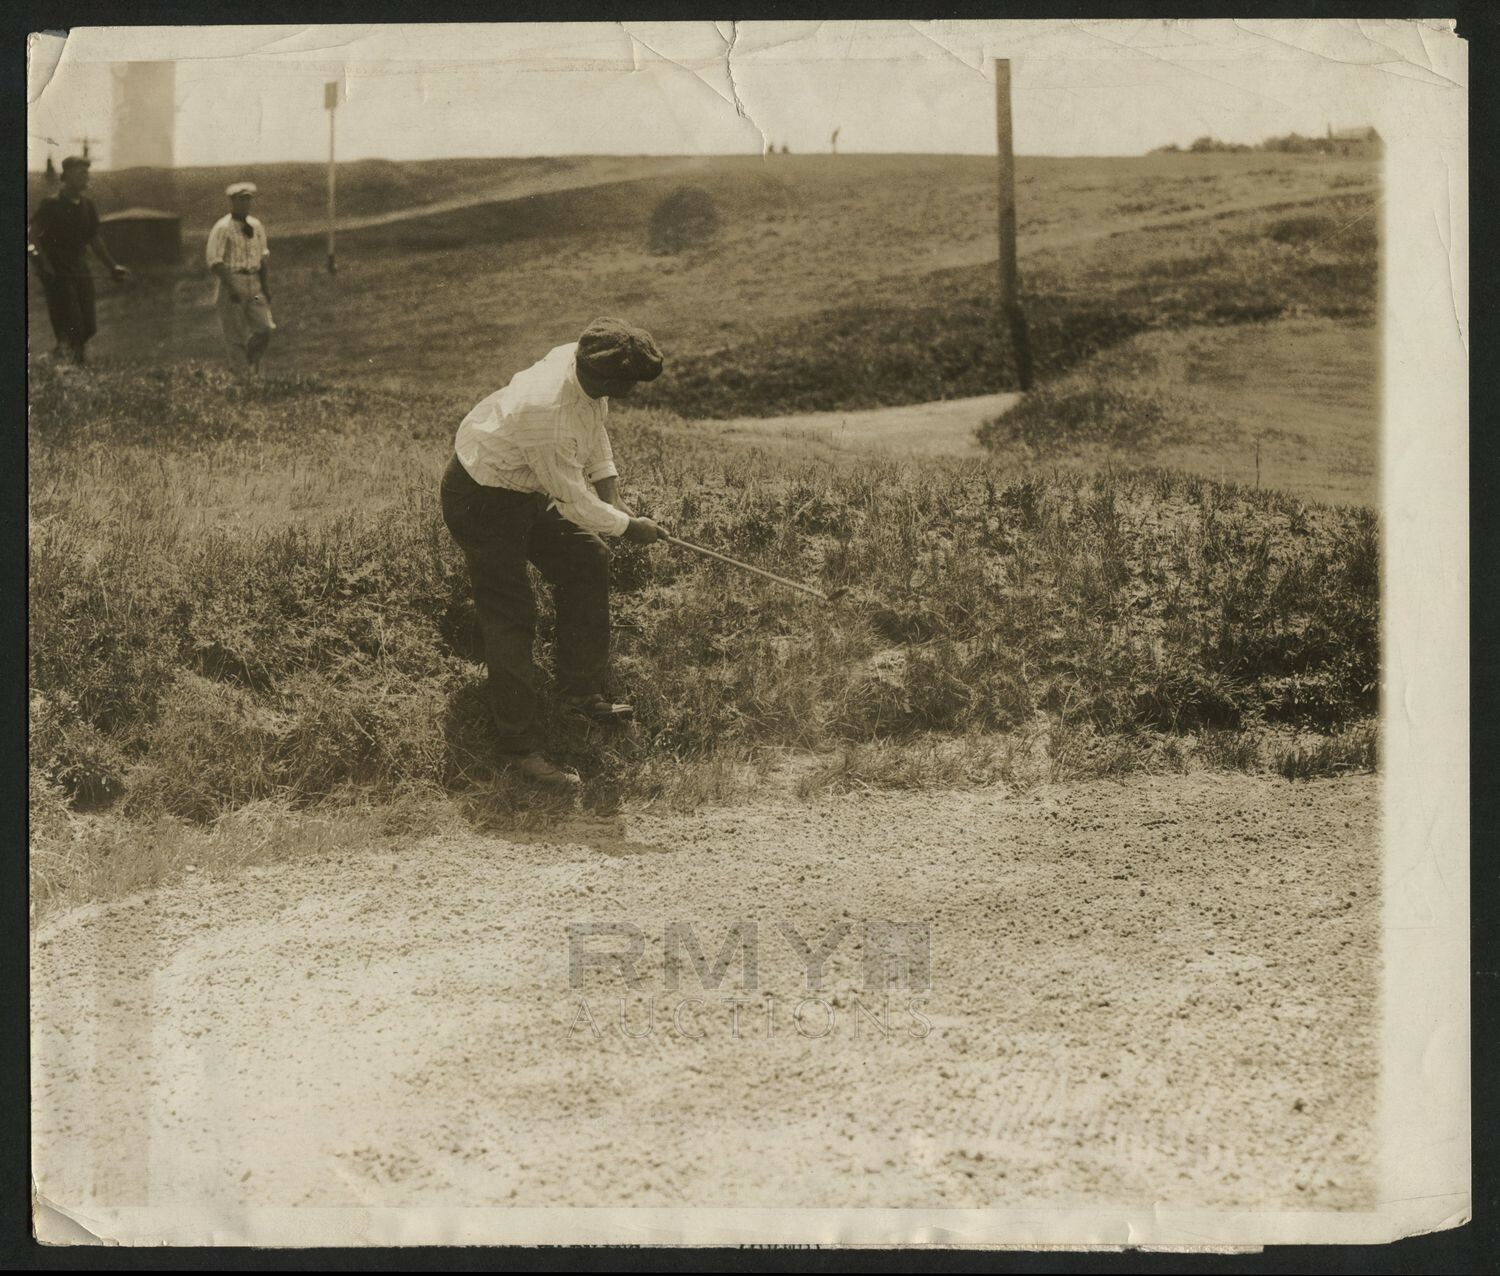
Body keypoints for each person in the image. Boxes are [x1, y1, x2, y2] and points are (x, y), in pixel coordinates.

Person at [441, 318, 670, 789]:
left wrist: (614, 494)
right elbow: (573, 500)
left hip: (526, 488)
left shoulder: (584, 360)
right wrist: (628, 526)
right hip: (482, 498)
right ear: (605, 377)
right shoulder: (547, 411)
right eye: (628, 384)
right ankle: (519, 750)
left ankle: (578, 693)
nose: (629, 391)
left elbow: (594, 426)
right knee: (511, 614)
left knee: (588, 559)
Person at [27, 155, 131, 365]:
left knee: (89, 327)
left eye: (87, 172)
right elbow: (31, 236)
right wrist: (42, 265)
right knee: (72, 325)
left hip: (80, 269)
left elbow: (94, 238)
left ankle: (59, 355)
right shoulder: (51, 204)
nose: (86, 177)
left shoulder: (87, 205)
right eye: (80, 172)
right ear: (66, 176)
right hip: (57, 273)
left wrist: (112, 266)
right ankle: (75, 368)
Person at [205, 182, 275, 375]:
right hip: (231, 282)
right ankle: (243, 380)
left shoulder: (256, 225)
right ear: (231, 201)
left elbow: (262, 258)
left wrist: (265, 287)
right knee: (235, 335)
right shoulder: (222, 227)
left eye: (248, 199)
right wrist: (231, 286)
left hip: (254, 283)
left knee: (265, 329)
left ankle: (243, 365)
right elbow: (215, 261)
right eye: (240, 199)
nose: (245, 203)